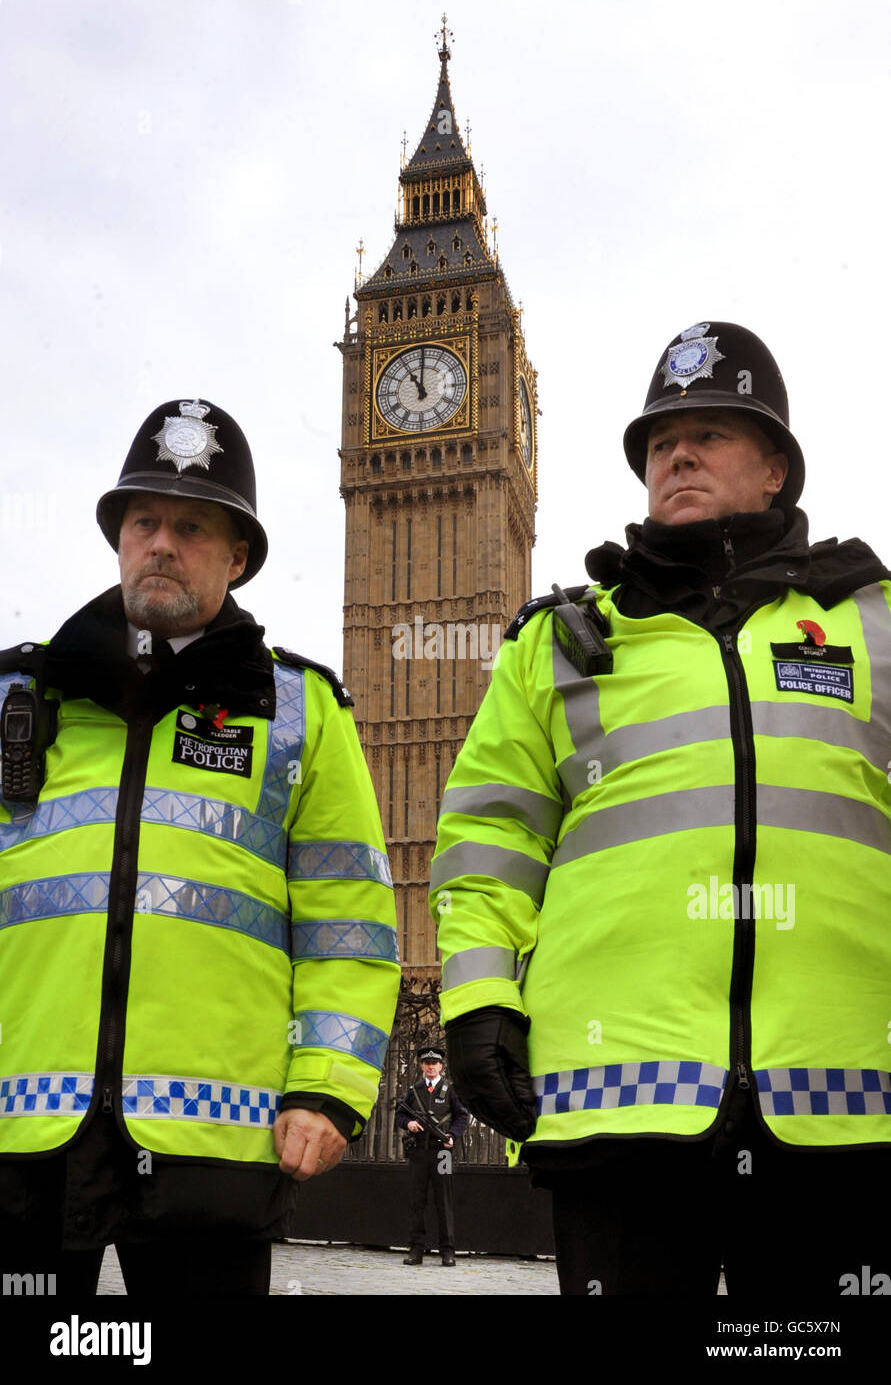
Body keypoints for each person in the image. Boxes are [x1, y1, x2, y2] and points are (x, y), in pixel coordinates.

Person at [431, 323, 891, 1295]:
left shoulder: (875, 624)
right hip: (619, 1114)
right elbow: (489, 837)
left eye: (710, 433)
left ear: (775, 468)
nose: (675, 452)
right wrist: (477, 1000)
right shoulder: (563, 640)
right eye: (659, 440)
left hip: (844, 1109)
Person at [0, 397, 400, 1295]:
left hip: (209, 1146)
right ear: (118, 538)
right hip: (21, 1141)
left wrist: (328, 1085)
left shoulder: (298, 712)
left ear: (238, 557)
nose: (162, 543)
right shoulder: (20, 701)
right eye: (143, 521)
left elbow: (351, 924)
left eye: (190, 526)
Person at [395, 1044, 468, 1266]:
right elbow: (399, 1116)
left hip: (442, 1154)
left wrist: (453, 1135)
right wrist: (410, 1123)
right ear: (421, 1066)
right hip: (418, 1152)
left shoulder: (450, 1089)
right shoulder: (414, 1090)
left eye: (434, 1063)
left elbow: (462, 1117)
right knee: (417, 1202)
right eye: (427, 1063)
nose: (430, 1067)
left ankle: (448, 1251)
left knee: (443, 1202)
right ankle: (416, 1250)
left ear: (441, 1066)